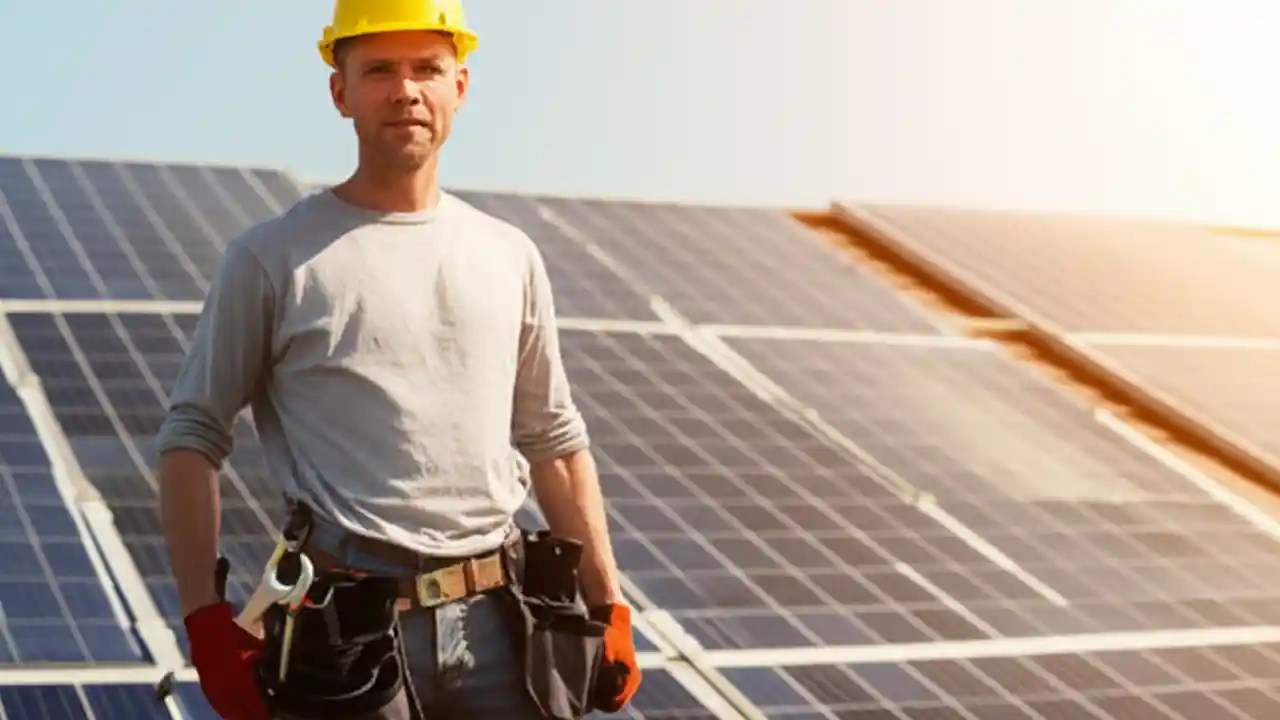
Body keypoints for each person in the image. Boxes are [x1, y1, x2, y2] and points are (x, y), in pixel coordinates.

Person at [154, 1, 641, 718]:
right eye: (379, 69)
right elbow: (191, 438)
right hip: (346, 643)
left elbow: (556, 442)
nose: (405, 89)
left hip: (503, 627)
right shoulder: (272, 258)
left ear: (461, 87)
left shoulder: (509, 255)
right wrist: (204, 619)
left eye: (427, 69)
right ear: (340, 91)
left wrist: (610, 599)